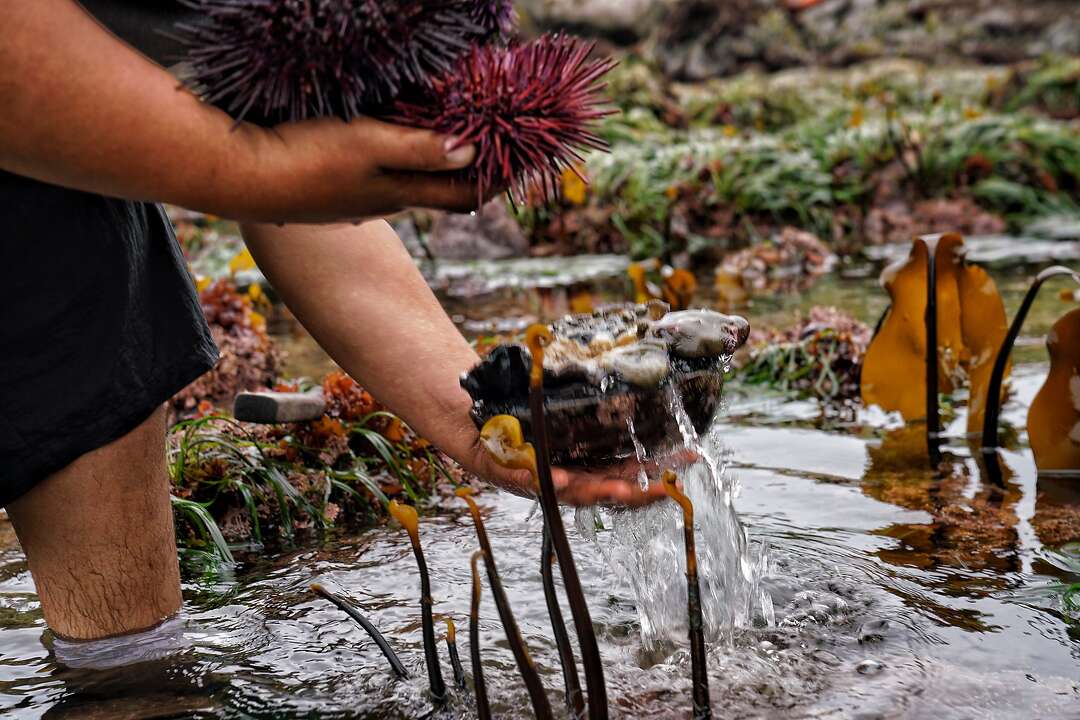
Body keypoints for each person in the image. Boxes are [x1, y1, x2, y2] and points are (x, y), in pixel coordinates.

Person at [0, 0, 668, 645]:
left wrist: (479, 418)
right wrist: (252, 168)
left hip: (63, 205)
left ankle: (126, 671)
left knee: (131, 663)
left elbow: (298, 197)